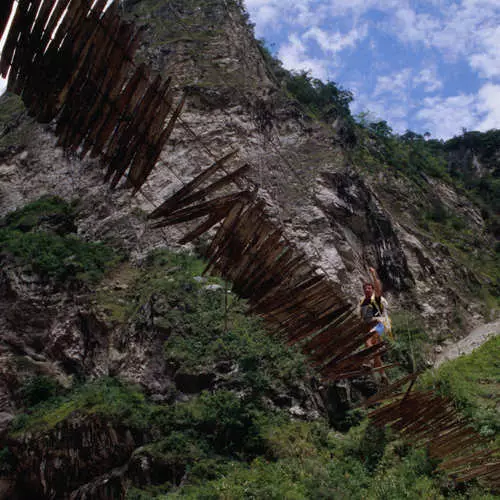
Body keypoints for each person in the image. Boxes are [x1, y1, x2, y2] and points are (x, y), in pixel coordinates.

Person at [360, 267, 389, 384]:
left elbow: (377, 287)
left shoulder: (375, 298)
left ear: (372, 290)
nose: (368, 289)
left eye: (369, 288)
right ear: (363, 290)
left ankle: (369, 362)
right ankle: (383, 375)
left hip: (380, 324)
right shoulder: (362, 302)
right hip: (370, 326)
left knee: (368, 342)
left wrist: (373, 274)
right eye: (366, 288)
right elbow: (363, 317)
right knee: (375, 351)